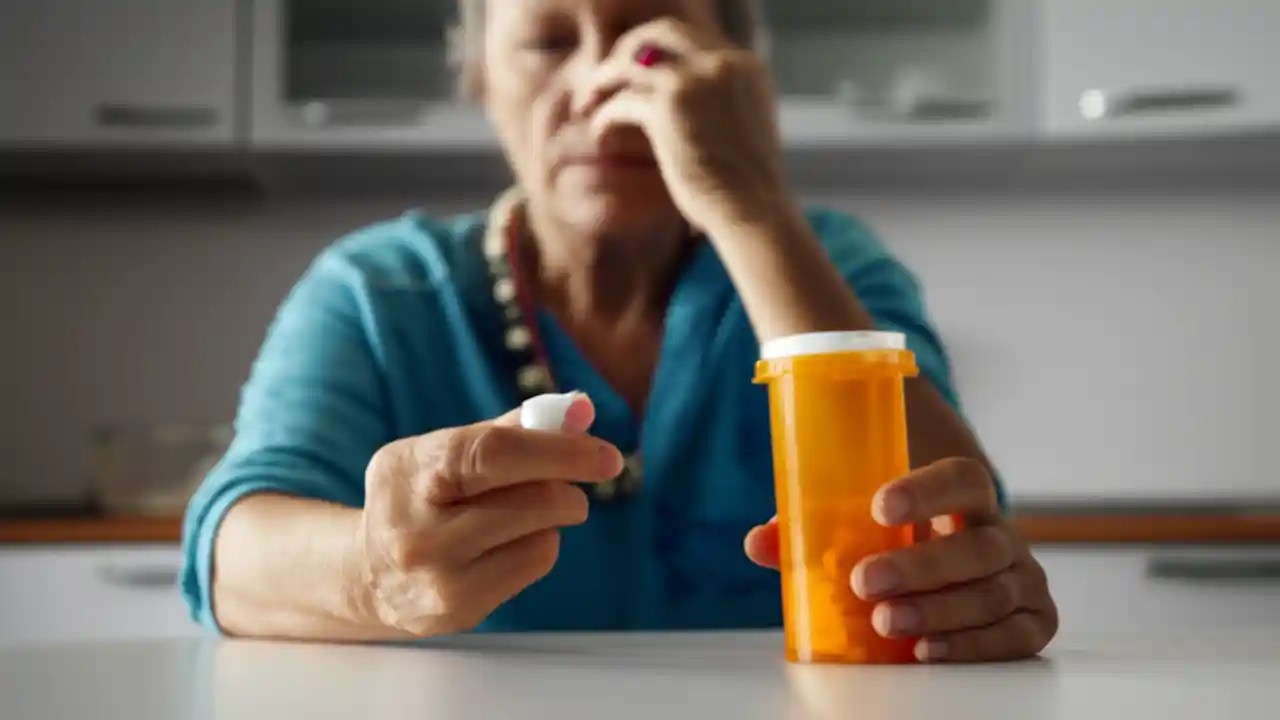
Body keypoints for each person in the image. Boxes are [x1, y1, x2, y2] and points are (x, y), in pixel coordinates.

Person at [181, 0, 1058, 662]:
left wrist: (747, 202)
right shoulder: (381, 291)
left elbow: (955, 541)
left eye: (651, 43)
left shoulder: (827, 262)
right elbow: (232, 554)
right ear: (482, 79)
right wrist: (375, 571)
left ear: (734, 79)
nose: (600, 83)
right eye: (548, 41)